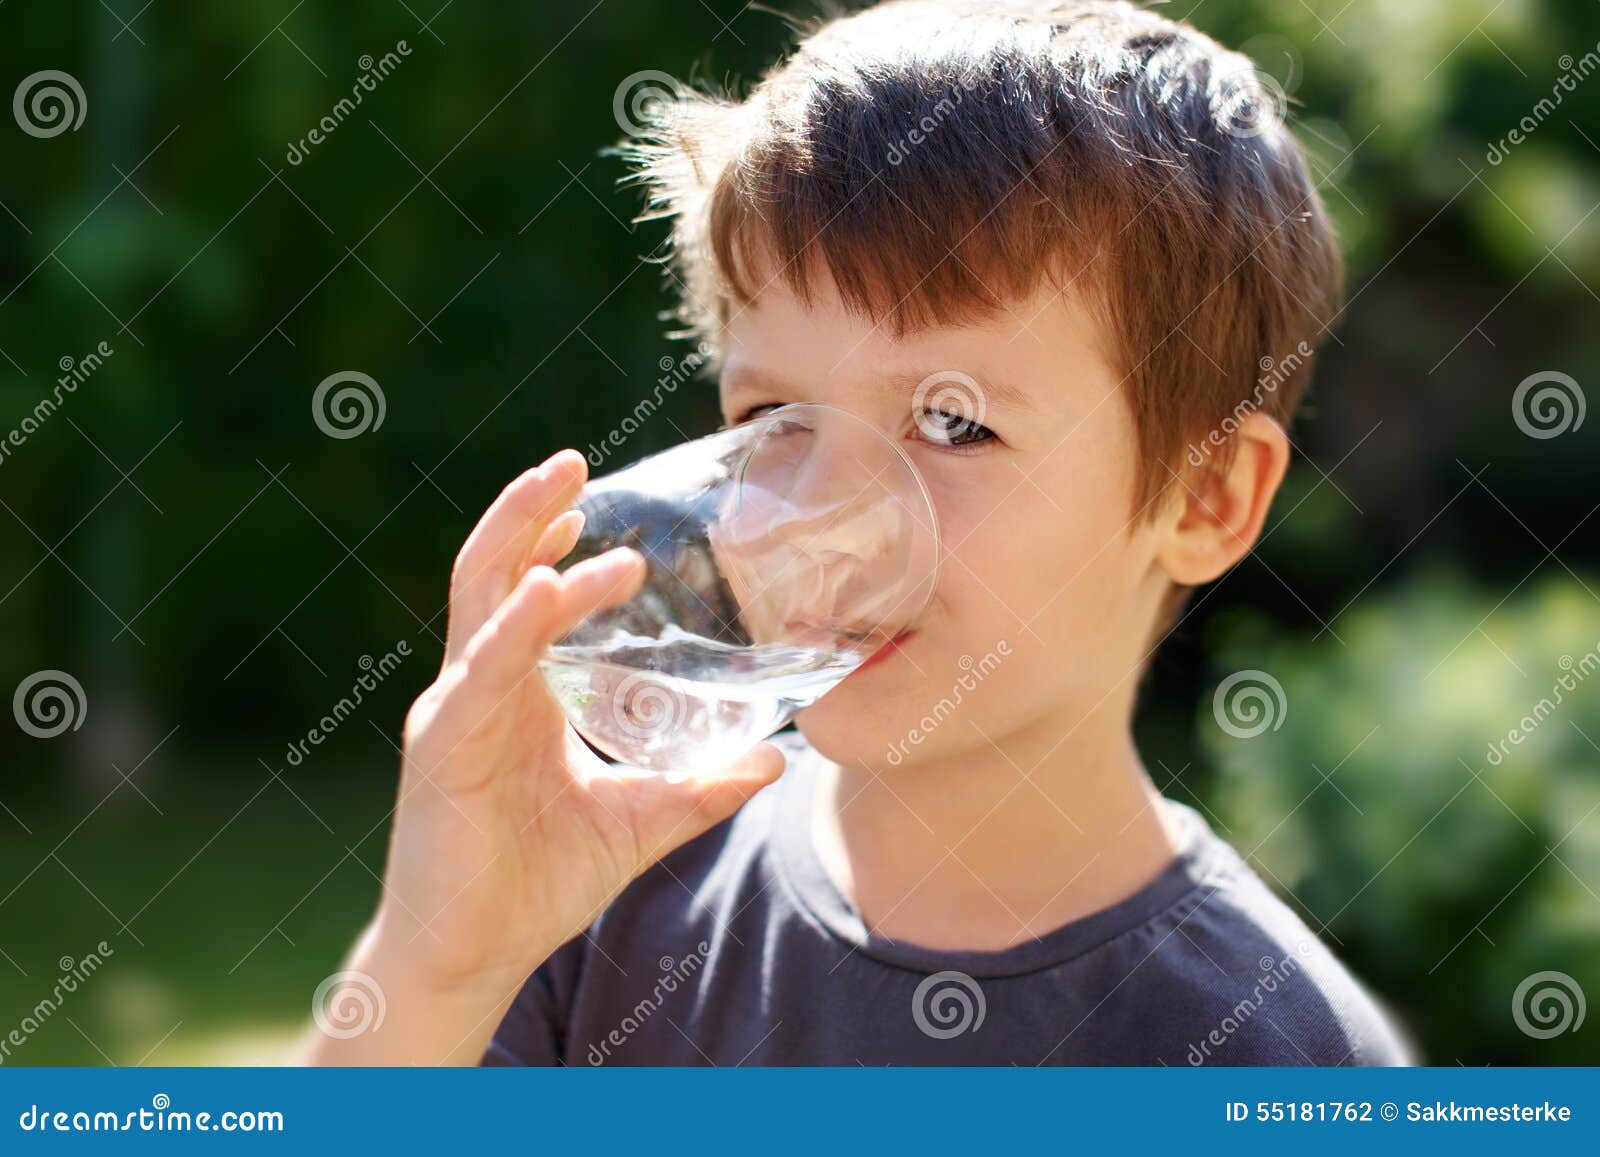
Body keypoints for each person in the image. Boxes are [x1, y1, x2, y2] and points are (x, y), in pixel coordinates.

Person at [308, 0, 1412, 1066]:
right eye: (772, 421)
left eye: (950, 420)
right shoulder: (606, 899)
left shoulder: (1279, 1055)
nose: (816, 528)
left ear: (1204, 495)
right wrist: (439, 960)